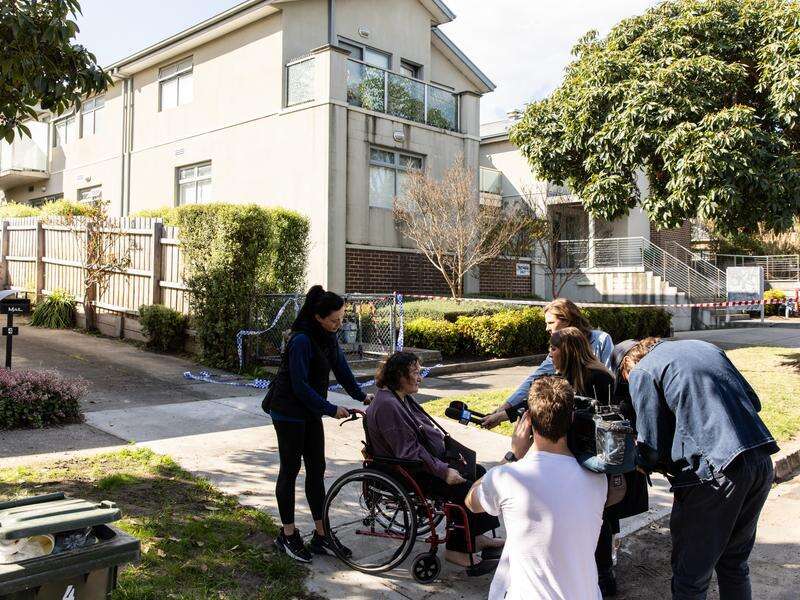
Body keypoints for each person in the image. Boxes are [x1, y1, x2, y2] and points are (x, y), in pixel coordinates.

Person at [620, 337, 778, 600]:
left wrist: (637, 462)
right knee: (734, 564)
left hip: (715, 477)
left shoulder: (643, 371)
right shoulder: (706, 347)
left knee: (690, 577)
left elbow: (650, 447)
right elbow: (753, 401)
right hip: (760, 460)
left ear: (628, 366)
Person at [465, 376, 608, 599]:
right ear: (571, 418)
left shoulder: (507, 477)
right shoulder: (598, 479)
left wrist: (512, 455)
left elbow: (471, 501)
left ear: (528, 420)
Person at [366, 351, 503, 574]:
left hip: (418, 464)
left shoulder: (400, 397)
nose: (420, 377)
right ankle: (456, 551)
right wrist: (443, 470)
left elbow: (424, 432)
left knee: (476, 471)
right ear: (399, 375)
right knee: (464, 489)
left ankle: (475, 538)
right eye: (415, 372)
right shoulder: (388, 405)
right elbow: (408, 452)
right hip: (406, 471)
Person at [268, 285, 374, 563]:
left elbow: (342, 370)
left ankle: (321, 534)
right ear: (318, 317)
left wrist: (363, 396)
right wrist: (330, 408)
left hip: (310, 412)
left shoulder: (328, 338)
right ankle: (288, 535)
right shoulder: (301, 340)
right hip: (289, 411)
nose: (339, 325)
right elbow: (299, 386)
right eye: (334, 320)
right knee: (290, 470)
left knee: (317, 470)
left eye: (341, 318)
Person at [548, 327, 617, 596]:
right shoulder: (562, 377)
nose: (550, 353)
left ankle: (602, 576)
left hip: (595, 460)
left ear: (566, 350)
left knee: (598, 519)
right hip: (573, 457)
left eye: (554, 348)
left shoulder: (599, 377)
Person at [481, 298, 613, 429]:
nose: (546, 328)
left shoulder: (600, 367)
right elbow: (536, 393)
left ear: (568, 320)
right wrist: (503, 411)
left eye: (550, 322)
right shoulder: (560, 376)